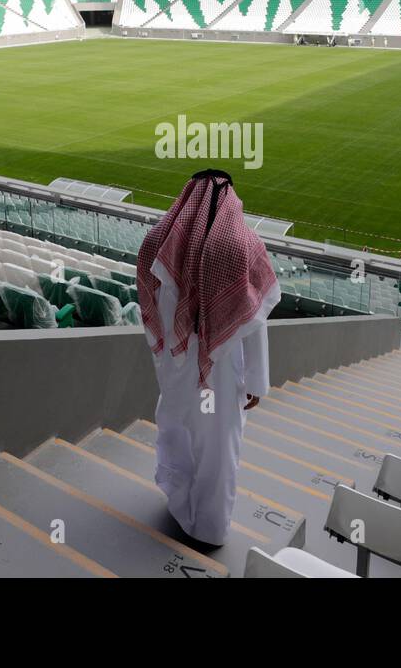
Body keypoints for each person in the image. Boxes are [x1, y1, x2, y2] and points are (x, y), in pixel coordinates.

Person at [136, 169, 280, 546]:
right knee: (217, 449)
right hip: (219, 375)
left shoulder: (159, 239)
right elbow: (254, 322)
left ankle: (178, 499)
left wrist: (166, 358)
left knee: (178, 431)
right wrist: (256, 381)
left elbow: (150, 307)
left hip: (175, 364)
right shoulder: (240, 246)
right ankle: (210, 528)